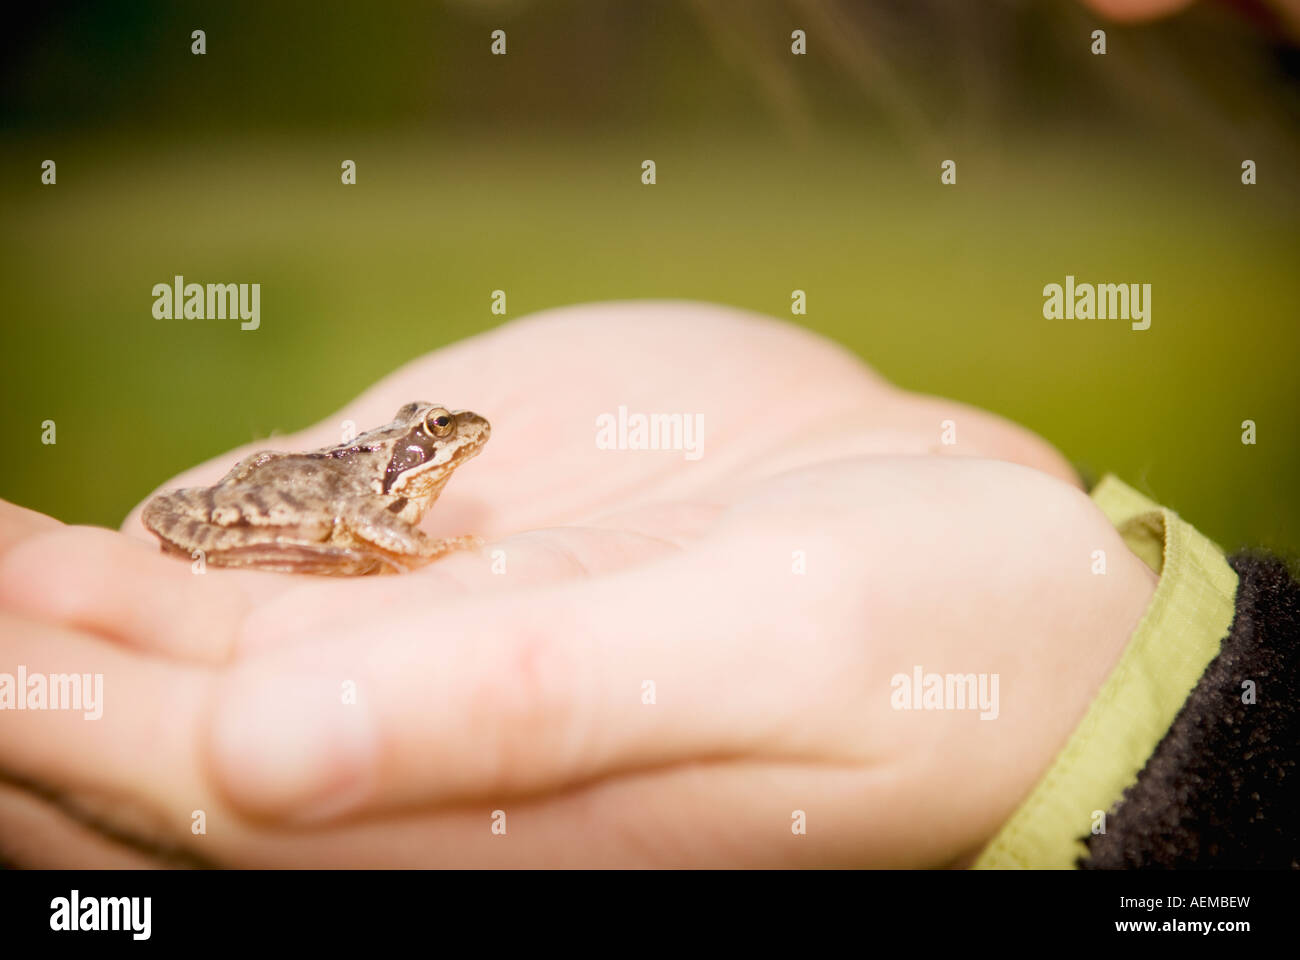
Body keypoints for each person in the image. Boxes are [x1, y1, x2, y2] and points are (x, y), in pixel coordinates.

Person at [1, 301, 1294, 868]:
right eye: (433, 440)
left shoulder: (411, 478)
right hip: (284, 505)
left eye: (444, 438)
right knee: (209, 537)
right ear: (413, 451)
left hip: (313, 494)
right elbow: (367, 526)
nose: (452, 449)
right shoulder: (386, 492)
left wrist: (1104, 679)